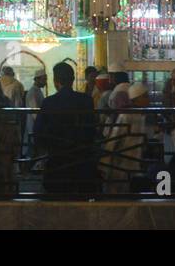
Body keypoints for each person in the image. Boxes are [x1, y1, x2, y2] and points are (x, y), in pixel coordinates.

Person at [33, 62, 97, 194]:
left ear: (56, 81)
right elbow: (92, 128)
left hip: (57, 165)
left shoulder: (49, 102)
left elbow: (38, 132)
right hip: (82, 165)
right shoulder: (86, 100)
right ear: (72, 80)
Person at [101, 81, 151, 192]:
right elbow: (114, 139)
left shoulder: (141, 115)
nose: (148, 99)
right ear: (137, 98)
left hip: (133, 164)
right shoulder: (126, 115)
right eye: (145, 96)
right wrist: (105, 164)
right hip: (121, 164)